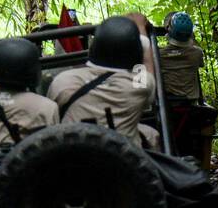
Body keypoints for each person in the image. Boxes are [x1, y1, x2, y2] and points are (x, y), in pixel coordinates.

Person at [48, 15, 157, 145]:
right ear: (136, 53)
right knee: (152, 134)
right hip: (123, 160)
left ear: (93, 49)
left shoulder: (63, 81)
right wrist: (140, 28)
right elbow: (144, 66)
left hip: (73, 157)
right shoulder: (138, 86)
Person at [159, 11, 204, 101]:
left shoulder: (160, 54)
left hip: (169, 99)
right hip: (190, 100)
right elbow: (201, 64)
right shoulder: (197, 53)